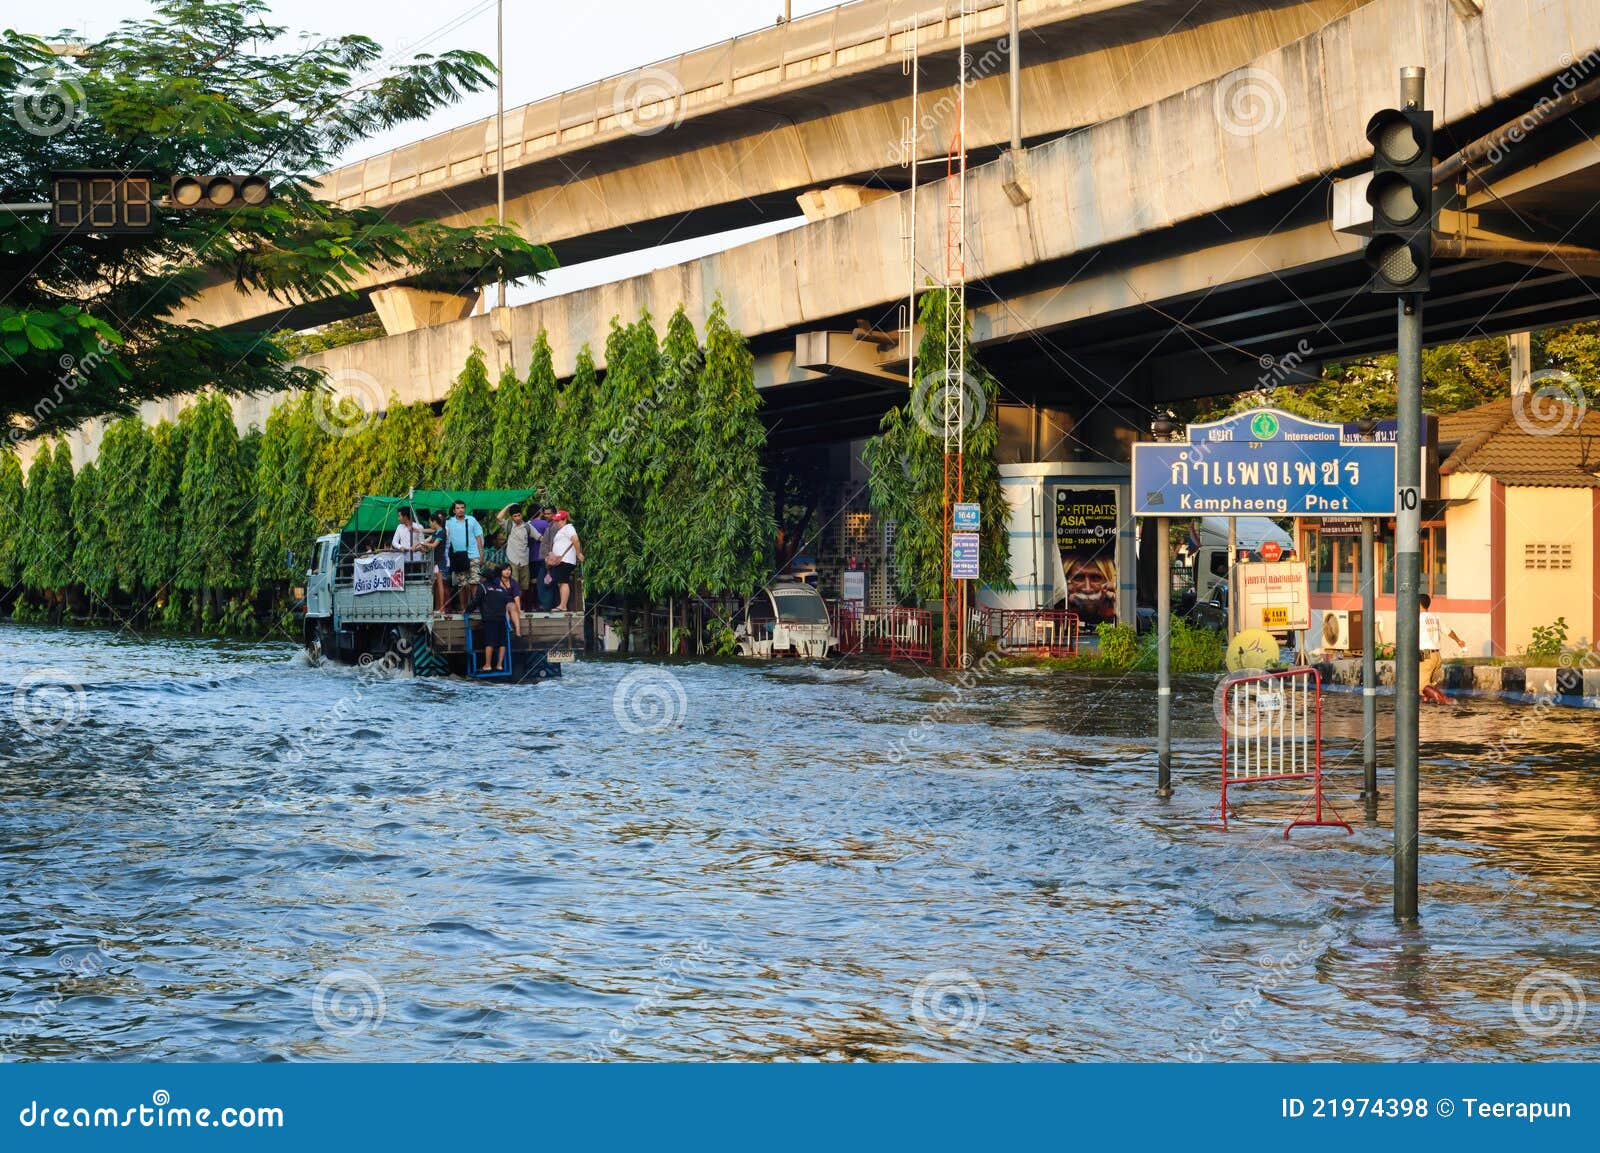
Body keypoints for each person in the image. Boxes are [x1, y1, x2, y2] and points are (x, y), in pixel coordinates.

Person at [466, 564, 514, 673]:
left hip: (490, 619)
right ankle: (500, 665)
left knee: (489, 642)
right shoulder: (501, 589)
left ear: (485, 578)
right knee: (502, 642)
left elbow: (475, 602)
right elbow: (505, 601)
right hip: (501, 618)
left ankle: (487, 665)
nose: (480, 578)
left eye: (481, 576)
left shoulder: (483, 587)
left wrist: (467, 610)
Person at [1419, 593, 1464, 704]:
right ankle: (1426, 707)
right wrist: (1458, 641)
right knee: (1428, 686)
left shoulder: (1417, 619)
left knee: (1421, 686)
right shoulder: (1435, 617)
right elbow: (1448, 631)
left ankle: (1444, 699)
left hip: (1425, 656)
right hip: (1437, 656)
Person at [445, 500, 484, 611]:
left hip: (473, 555)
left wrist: (481, 554)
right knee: (461, 584)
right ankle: (463, 608)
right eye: (458, 508)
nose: (460, 510)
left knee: (474, 582)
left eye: (462, 507)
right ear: (454, 510)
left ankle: (476, 607)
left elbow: (478, 537)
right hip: (458, 556)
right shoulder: (449, 522)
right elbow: (439, 531)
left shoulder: (471, 520)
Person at [544, 510, 583, 613]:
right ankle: (562, 604)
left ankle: (563, 605)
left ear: (564, 520)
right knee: (561, 582)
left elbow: (575, 539)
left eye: (559, 521)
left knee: (563, 582)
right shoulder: (561, 530)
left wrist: (578, 553)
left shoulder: (568, 528)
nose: (557, 523)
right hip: (560, 561)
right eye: (555, 521)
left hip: (566, 560)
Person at [533, 504, 557, 611]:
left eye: (549, 514)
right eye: (545, 514)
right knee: (543, 582)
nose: (547, 516)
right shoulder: (549, 525)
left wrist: (548, 559)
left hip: (549, 560)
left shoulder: (555, 526)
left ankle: (546, 606)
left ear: (554, 514)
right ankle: (546, 606)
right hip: (545, 560)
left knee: (546, 584)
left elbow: (552, 544)